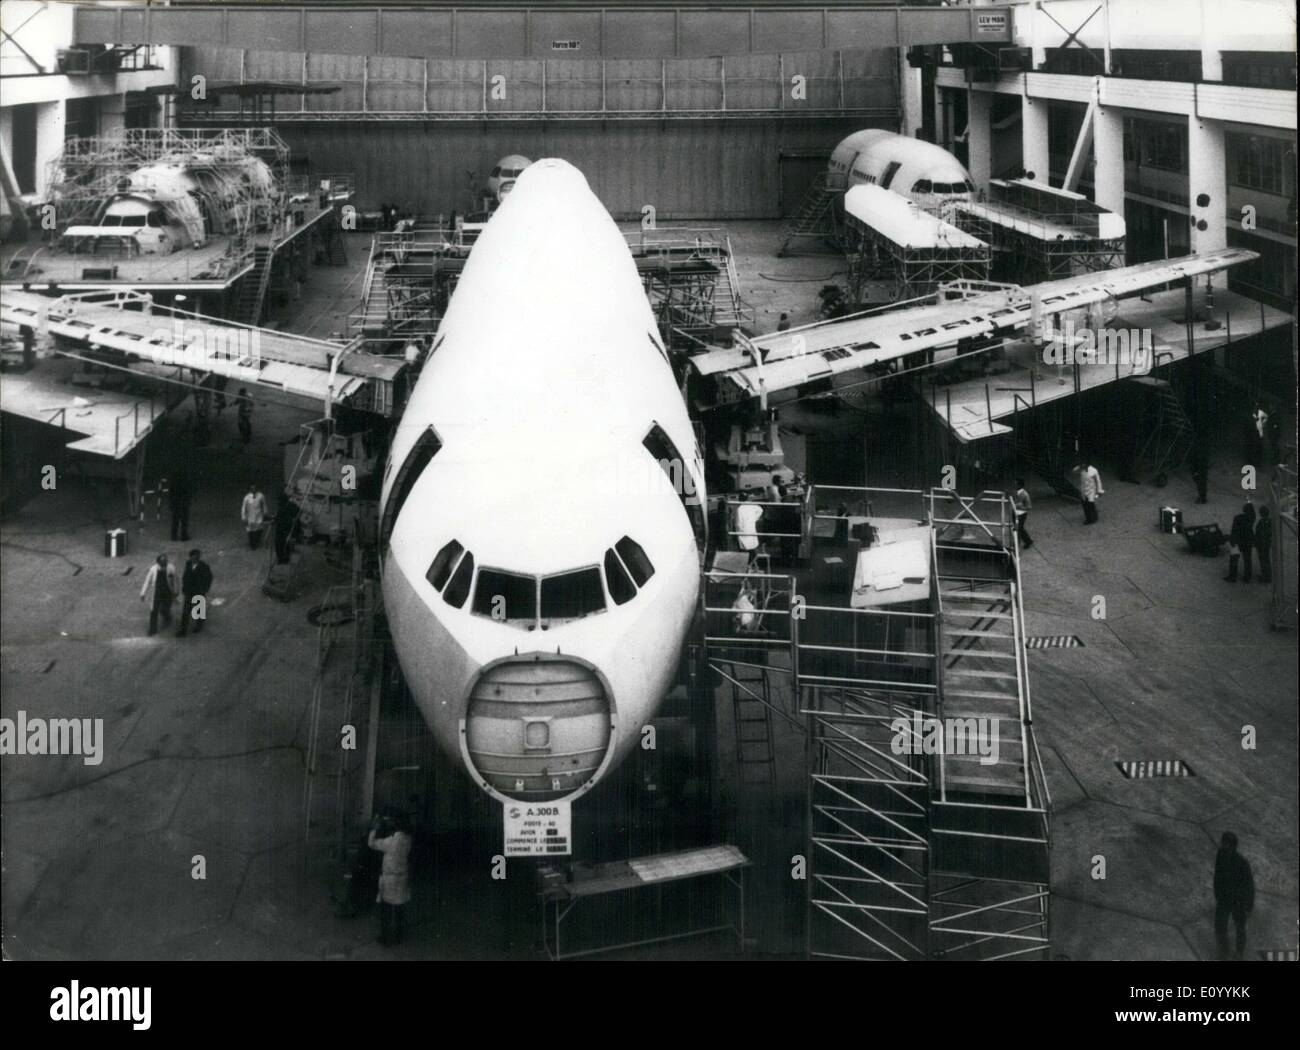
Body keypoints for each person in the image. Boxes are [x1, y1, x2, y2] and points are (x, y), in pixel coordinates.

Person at [368, 811, 412, 946]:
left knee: (386, 909)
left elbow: (371, 843)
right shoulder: (408, 839)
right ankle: (398, 936)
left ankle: (385, 937)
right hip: (402, 877)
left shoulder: (390, 842)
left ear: (395, 825)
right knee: (399, 908)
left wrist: (375, 828)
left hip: (390, 879)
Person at [1213, 831, 1254, 961]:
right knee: (1220, 926)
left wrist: (1249, 906)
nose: (1223, 846)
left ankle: (1239, 954)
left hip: (1238, 901)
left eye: (1226, 844)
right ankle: (1224, 951)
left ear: (1232, 846)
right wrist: (1217, 893)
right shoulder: (1220, 855)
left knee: (1240, 927)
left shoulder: (1242, 863)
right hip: (1224, 898)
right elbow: (1217, 875)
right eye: (1223, 843)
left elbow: (1249, 886)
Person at [139, 553, 178, 636]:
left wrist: (175, 591)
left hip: (167, 591)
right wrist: (143, 593)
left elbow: (175, 580)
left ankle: (167, 617)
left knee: (165, 607)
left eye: (165, 562)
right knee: (154, 611)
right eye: (162, 562)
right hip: (157, 592)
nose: (164, 564)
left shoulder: (171, 568)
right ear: (158, 562)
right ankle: (152, 629)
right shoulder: (153, 569)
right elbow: (147, 581)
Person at [177, 549, 213, 637]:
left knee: (198, 609)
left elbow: (209, 577)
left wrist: (205, 588)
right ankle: (183, 629)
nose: (195, 558)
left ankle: (199, 625)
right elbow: (185, 576)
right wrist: (184, 587)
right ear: (191, 557)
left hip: (199, 591)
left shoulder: (204, 566)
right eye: (193, 556)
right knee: (186, 611)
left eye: (197, 556)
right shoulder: (188, 564)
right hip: (189, 591)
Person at [1225, 504, 1254, 583]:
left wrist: (1232, 540)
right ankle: (1247, 577)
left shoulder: (1238, 518)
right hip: (1247, 541)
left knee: (1234, 559)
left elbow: (1234, 530)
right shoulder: (1251, 519)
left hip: (1237, 541)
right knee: (1247, 559)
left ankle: (1232, 576)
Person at [169, 466, 193, 543]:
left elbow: (171, 494)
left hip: (176, 502)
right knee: (184, 519)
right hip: (183, 502)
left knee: (175, 519)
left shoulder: (174, 482)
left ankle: (174, 535)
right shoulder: (186, 481)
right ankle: (183, 535)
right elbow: (188, 493)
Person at [241, 483, 269, 550]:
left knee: (259, 530)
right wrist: (244, 517)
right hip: (250, 517)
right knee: (250, 531)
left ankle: (257, 541)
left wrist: (265, 512)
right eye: (252, 488)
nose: (253, 490)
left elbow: (264, 505)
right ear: (250, 489)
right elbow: (243, 508)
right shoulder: (246, 498)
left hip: (258, 516)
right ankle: (252, 544)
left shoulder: (261, 496)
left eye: (255, 488)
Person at [1012, 479, 1033, 549]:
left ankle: (1018, 544)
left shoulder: (1025, 495)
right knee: (1019, 528)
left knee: (1019, 529)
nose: (1014, 485)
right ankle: (1028, 541)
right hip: (1015, 513)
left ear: (1020, 485)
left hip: (1021, 514)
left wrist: (1020, 507)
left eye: (1016, 484)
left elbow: (1029, 507)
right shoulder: (1016, 492)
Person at [1255, 507, 1273, 584]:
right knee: (1266, 560)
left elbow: (1259, 533)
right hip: (1267, 543)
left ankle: (1265, 577)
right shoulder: (1270, 521)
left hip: (1261, 544)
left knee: (1263, 560)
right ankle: (1267, 576)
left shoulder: (1261, 522)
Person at [1189, 435, 1209, 505]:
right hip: (1200, 471)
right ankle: (1202, 498)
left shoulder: (1199, 454)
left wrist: (1196, 472)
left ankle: (1202, 498)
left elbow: (1198, 464)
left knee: (1201, 485)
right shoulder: (1201, 453)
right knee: (1201, 485)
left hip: (1200, 471)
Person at [1248, 401, 1267, 467]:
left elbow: (1266, 417)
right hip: (1253, 434)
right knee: (1252, 448)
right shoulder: (1251, 414)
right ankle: (1252, 462)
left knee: (1259, 448)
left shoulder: (1261, 413)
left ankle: (1258, 463)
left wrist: (1263, 423)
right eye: (1254, 407)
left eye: (1256, 406)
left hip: (1259, 433)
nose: (1255, 408)